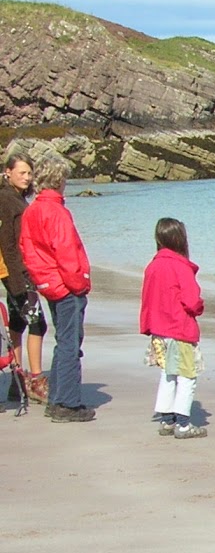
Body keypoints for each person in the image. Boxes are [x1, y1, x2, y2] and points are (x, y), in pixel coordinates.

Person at [18, 154, 93, 422]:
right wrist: (79, 284)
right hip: (64, 286)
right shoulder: (56, 212)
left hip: (49, 284)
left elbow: (28, 250)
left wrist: (45, 280)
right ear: (59, 180)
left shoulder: (32, 211)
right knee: (70, 344)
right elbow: (67, 254)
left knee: (63, 343)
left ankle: (58, 400)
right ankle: (68, 404)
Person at [139, 217, 207, 439]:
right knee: (187, 376)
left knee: (168, 374)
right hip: (180, 329)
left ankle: (167, 420)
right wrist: (199, 307)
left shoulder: (153, 266)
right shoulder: (180, 267)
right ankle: (183, 424)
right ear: (181, 240)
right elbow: (192, 300)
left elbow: (147, 299)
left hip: (159, 330)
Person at [0, 153, 47, 404]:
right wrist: (19, 280)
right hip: (16, 273)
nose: (27, 178)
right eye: (22, 173)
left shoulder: (15, 198)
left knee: (17, 324)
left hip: (13, 272)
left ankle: (17, 380)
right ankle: (35, 380)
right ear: (8, 172)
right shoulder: (7, 200)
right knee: (38, 324)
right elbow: (7, 243)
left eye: (30, 173)